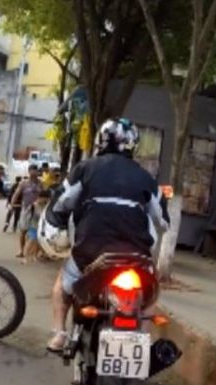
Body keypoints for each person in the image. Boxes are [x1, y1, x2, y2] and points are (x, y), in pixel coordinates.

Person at [42, 118, 168, 352]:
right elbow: (163, 220)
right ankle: (144, 343)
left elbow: (61, 202)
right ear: (133, 145)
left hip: (91, 252)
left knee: (63, 285)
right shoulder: (146, 178)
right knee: (149, 296)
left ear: (102, 140)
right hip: (135, 254)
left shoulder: (85, 169)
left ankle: (59, 334)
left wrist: (55, 223)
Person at [11, 164, 43, 258]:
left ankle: (35, 252)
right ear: (28, 172)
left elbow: (45, 194)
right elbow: (16, 193)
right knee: (23, 231)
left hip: (38, 209)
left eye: (35, 170)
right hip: (26, 209)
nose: (33, 173)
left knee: (36, 231)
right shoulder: (24, 183)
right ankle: (21, 250)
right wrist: (12, 204)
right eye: (31, 170)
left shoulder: (40, 183)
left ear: (37, 172)